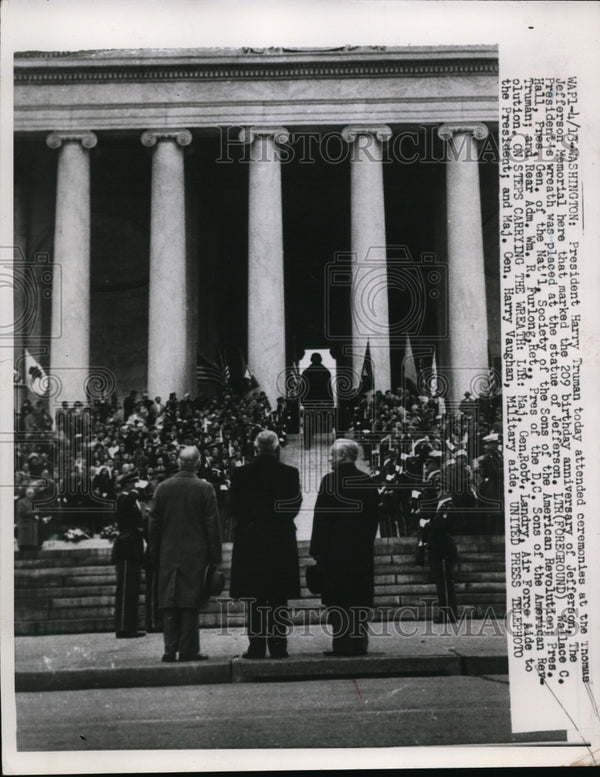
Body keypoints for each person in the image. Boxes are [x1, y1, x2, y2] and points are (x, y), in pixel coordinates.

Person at [229, 430, 302, 659]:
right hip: (280, 538)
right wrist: (277, 521)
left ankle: (257, 646)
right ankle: (279, 645)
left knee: (255, 597)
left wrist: (252, 521)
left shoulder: (241, 473)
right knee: (278, 596)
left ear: (256, 447)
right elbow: (294, 505)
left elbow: (233, 507)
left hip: (251, 539)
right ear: (277, 447)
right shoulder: (289, 473)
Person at [148, 446, 222, 662]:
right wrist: (215, 556)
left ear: (178, 462)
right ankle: (189, 649)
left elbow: (153, 523)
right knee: (190, 601)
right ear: (198, 463)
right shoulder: (205, 488)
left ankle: (169, 649)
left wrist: (154, 551)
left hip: (168, 552)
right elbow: (212, 524)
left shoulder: (162, 488)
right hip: (196, 553)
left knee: (169, 601)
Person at [310, 439, 379, 656]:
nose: (329, 459)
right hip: (360, 551)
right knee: (359, 597)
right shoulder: (368, 481)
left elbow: (321, 519)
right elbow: (373, 518)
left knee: (339, 599)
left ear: (342, 456)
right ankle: (360, 643)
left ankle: (342, 644)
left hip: (335, 551)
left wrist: (317, 550)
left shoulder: (330, 481)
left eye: (332, 455)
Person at [112, 470, 145, 638]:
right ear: (127, 484)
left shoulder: (131, 499)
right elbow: (125, 506)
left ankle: (130, 626)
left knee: (132, 588)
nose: (135, 485)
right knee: (125, 589)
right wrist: (134, 493)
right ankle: (124, 627)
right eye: (132, 483)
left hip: (133, 546)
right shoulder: (123, 498)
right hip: (126, 546)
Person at [301, 353, 334, 449]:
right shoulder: (326, 372)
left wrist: (303, 400)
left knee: (308, 422)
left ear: (311, 360)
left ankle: (307, 444)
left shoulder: (306, 372)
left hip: (309, 401)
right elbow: (328, 387)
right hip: (323, 401)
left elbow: (303, 388)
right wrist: (330, 401)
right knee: (324, 421)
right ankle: (327, 441)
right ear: (321, 360)